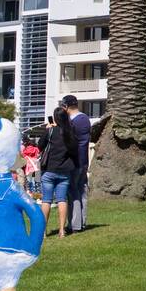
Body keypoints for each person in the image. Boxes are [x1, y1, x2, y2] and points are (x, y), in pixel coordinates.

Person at [37, 106, 79, 238]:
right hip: (64, 171)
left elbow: (40, 146)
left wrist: (48, 130)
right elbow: (74, 151)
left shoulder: (50, 131)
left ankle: (43, 231)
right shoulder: (70, 132)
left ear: (54, 118)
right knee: (62, 200)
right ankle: (62, 230)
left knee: (46, 200)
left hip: (49, 170)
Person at [62, 95, 91, 233]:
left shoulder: (73, 122)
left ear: (66, 106)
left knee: (73, 192)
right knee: (82, 190)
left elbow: (69, 141)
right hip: (84, 160)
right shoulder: (85, 118)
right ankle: (83, 222)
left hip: (74, 160)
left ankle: (75, 224)